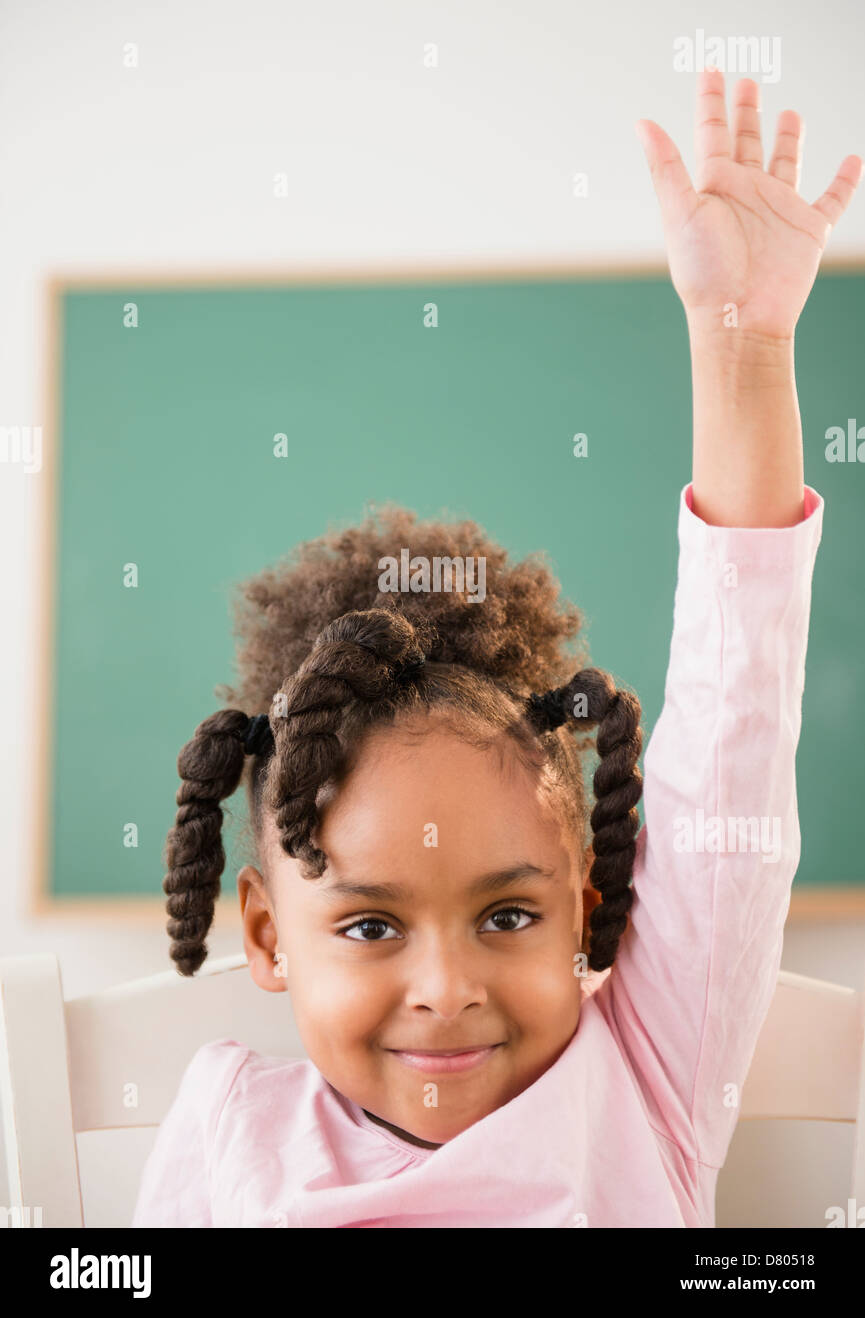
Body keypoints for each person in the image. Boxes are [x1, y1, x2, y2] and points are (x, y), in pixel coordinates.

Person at [132, 69, 861, 1228]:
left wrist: (745, 342)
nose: (447, 991)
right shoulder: (233, 1130)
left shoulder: (645, 1082)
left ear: (583, 912)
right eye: (370, 925)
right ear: (268, 934)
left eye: (510, 916)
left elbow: (736, 723)